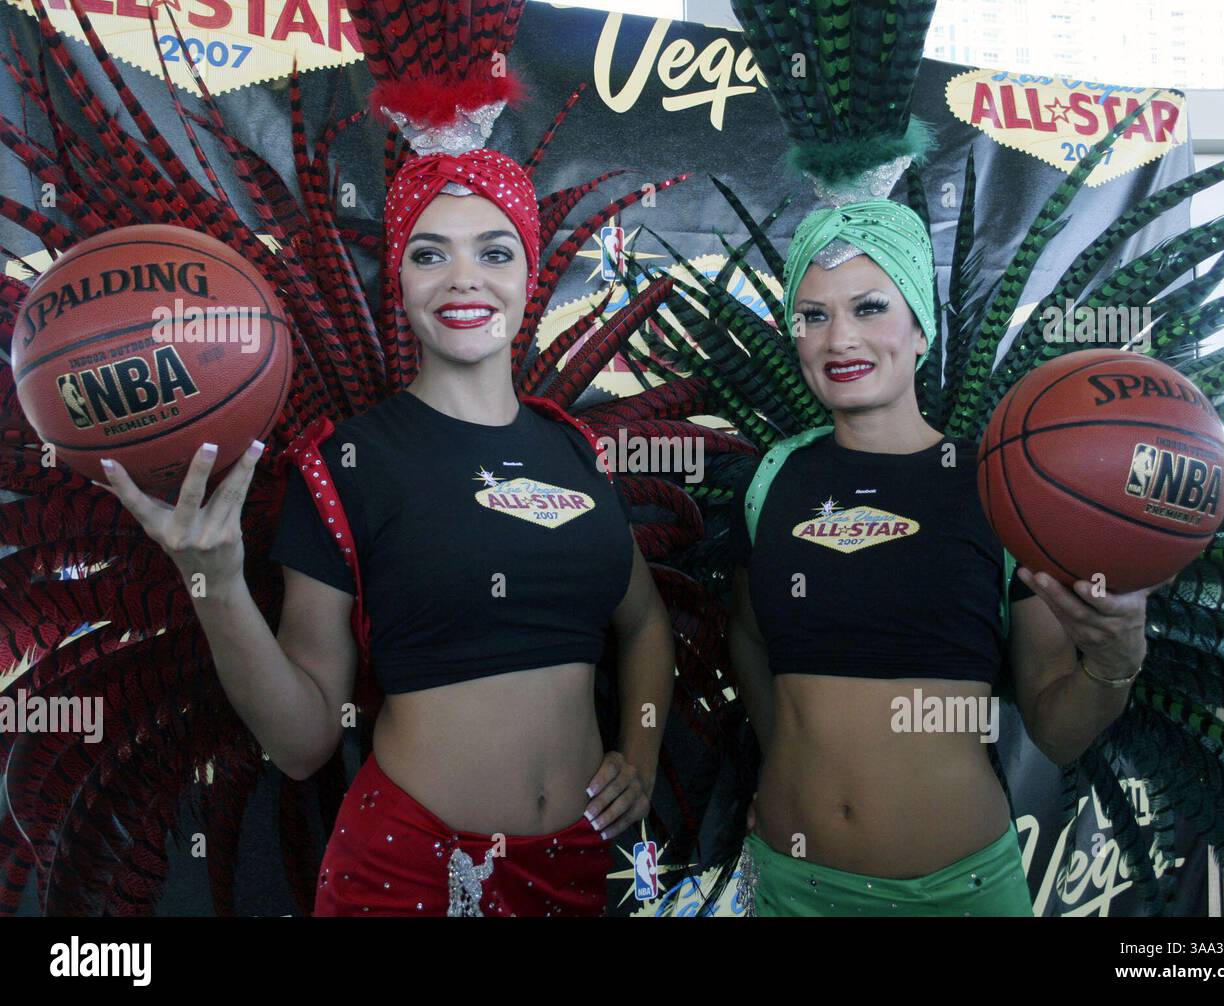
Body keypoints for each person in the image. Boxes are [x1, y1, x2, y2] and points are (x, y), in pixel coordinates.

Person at [95, 144, 676, 917]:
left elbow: (643, 622)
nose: (465, 278)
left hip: (574, 867)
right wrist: (216, 581)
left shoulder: (572, 446)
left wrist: (640, 750)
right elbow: (302, 745)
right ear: (398, 281)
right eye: (430, 254)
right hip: (407, 875)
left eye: (494, 252)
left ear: (529, 275)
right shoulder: (346, 463)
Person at [726, 200, 1163, 916]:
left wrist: (1113, 662)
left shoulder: (998, 490)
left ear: (921, 325)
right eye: (813, 316)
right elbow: (746, 632)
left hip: (956, 898)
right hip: (790, 887)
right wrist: (782, 769)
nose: (840, 339)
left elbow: (1056, 731)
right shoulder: (773, 478)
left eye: (869, 307)